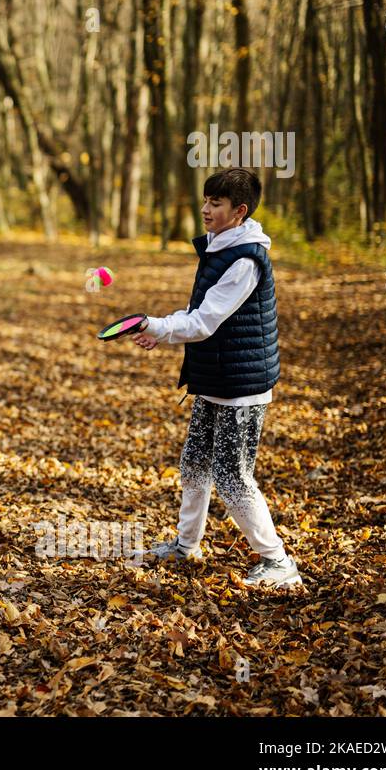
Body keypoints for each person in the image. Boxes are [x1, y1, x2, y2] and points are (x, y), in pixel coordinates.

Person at [132, 167, 302, 588]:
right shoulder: (221, 245)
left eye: (216, 203)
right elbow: (200, 315)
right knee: (194, 464)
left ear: (239, 211)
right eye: (206, 200)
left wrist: (157, 326)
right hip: (217, 380)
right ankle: (186, 547)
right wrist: (163, 331)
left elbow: (205, 320)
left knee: (232, 475)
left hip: (241, 388)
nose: (205, 209)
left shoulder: (244, 259)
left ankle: (278, 561)